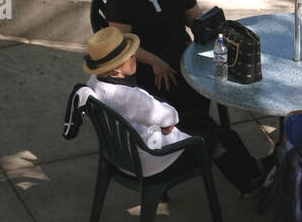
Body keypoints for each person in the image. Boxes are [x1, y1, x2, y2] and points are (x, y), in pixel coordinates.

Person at [102, 0, 273, 194]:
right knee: (191, 112)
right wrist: (155, 61)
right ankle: (203, 147)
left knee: (205, 89)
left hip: (183, 56)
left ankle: (227, 154)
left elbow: (196, 19)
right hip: (147, 66)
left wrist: (210, 29)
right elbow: (122, 42)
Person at [70, 26, 274, 195]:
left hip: (124, 152)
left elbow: (161, 118)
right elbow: (170, 116)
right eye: (131, 57)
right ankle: (253, 180)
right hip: (152, 159)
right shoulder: (129, 98)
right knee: (225, 138)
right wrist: (167, 121)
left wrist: (165, 122)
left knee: (200, 118)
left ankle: (244, 173)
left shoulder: (95, 81)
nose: (135, 58)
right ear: (115, 69)